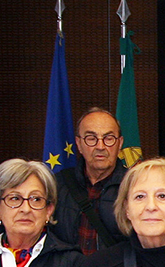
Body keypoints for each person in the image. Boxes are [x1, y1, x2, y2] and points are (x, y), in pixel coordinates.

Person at [53, 107, 127, 253]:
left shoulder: (134, 187)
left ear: (120, 144)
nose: (100, 146)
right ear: (79, 144)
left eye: (109, 138)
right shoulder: (58, 184)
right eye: (91, 139)